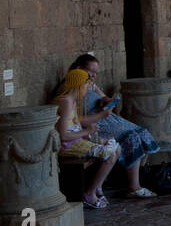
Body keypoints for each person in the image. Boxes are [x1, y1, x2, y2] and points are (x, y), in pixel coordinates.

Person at [51, 69, 155, 205]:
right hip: (68, 146)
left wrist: (90, 135)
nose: (88, 88)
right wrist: (87, 131)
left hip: (77, 140)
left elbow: (76, 124)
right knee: (110, 153)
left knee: (115, 148)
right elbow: (63, 136)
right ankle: (89, 193)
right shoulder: (65, 102)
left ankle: (97, 185)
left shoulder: (73, 101)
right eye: (86, 85)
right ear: (78, 85)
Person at [68, 53, 161, 197]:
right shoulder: (72, 87)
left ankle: (129, 177)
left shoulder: (90, 84)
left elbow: (103, 97)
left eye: (95, 73)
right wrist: (100, 115)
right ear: (79, 68)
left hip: (106, 117)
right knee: (131, 137)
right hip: (95, 123)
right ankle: (133, 187)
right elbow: (73, 119)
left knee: (141, 132)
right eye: (90, 71)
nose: (93, 76)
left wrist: (109, 101)